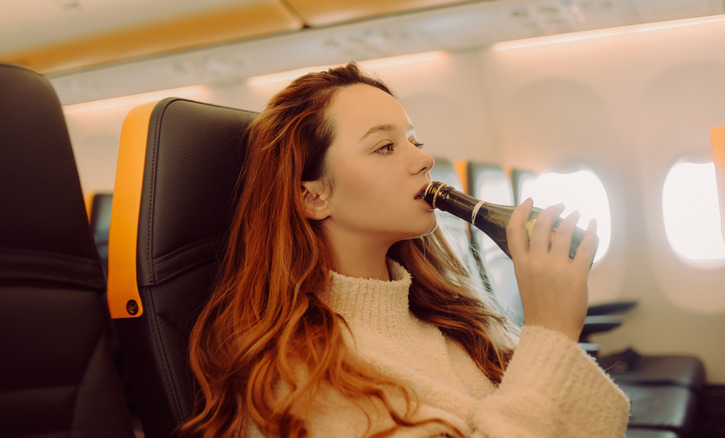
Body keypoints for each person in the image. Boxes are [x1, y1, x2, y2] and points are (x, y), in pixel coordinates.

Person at [180, 62, 629, 437]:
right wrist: (550, 332)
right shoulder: (300, 370)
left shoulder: (443, 313)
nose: (423, 159)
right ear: (313, 196)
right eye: (385, 146)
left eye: (415, 141)